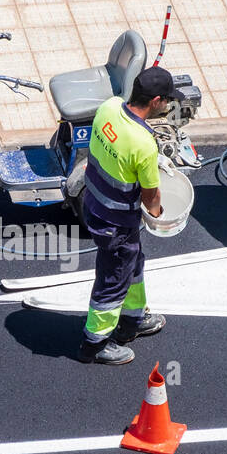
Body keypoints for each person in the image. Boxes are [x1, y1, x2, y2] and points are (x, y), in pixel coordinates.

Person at [77, 66, 183, 365]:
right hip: (116, 223)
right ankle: (94, 343)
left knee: (132, 264)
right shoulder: (143, 142)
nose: (168, 106)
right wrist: (159, 214)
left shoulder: (109, 107)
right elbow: (151, 198)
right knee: (113, 279)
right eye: (167, 101)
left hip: (95, 205)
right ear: (156, 101)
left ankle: (131, 320)